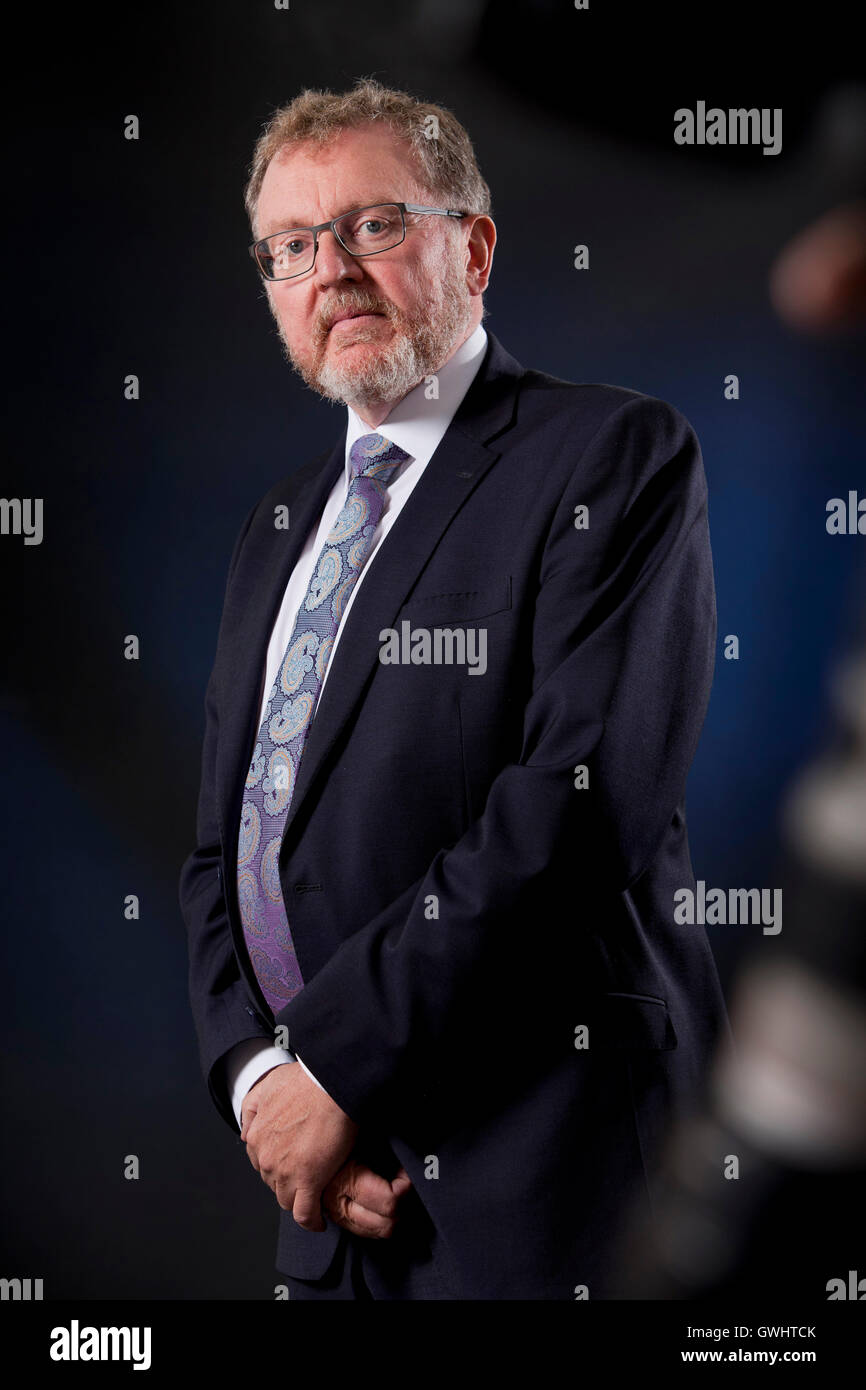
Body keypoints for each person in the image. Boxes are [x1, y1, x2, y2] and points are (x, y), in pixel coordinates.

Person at [178, 77, 729, 1300]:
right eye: (291, 246)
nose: (332, 270)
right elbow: (223, 850)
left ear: (471, 247)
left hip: (546, 1183)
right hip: (331, 1200)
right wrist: (256, 1080)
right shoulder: (278, 530)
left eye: (374, 225)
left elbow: (576, 814)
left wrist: (330, 1064)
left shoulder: (609, 455)